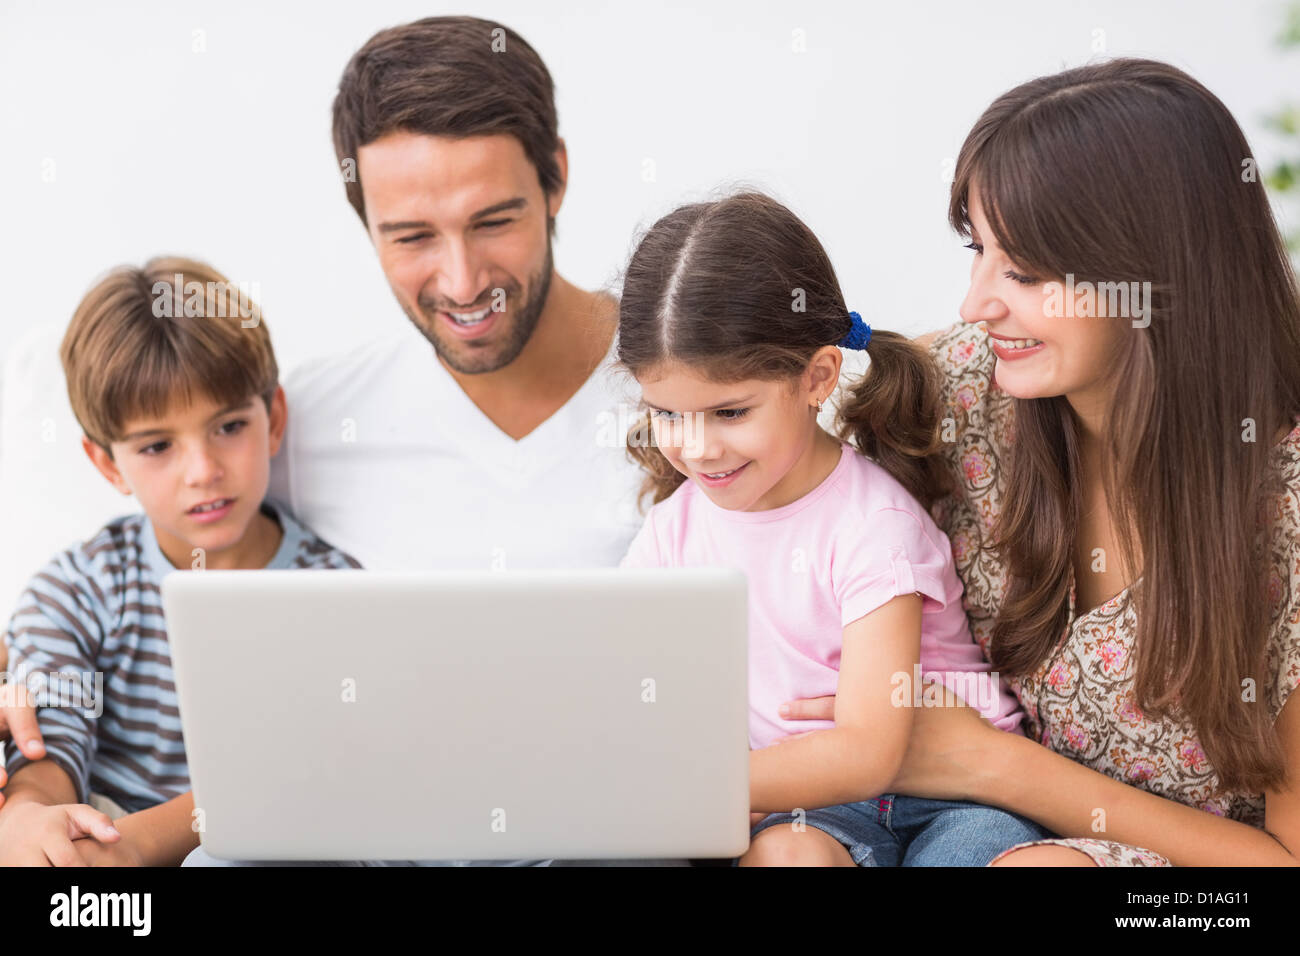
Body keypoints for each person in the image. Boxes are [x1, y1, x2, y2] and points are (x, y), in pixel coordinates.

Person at [783, 59, 1300, 866]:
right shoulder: (958, 396)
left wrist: (997, 766)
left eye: (1023, 271)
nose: (976, 303)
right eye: (977, 249)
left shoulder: (1285, 505)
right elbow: (766, 483)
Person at [615, 191, 1051, 865]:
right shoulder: (673, 535)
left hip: (953, 794)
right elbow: (631, 690)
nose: (697, 448)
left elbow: (867, 751)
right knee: (789, 858)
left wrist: (706, 785)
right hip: (804, 802)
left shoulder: (872, 525)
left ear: (817, 377)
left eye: (730, 413)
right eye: (669, 414)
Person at [0, 258, 361, 865]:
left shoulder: (333, 596)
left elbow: (306, 774)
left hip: (235, 844)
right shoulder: (82, 586)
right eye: (158, 446)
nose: (203, 471)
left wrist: (141, 845)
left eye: (228, 426)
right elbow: (49, 733)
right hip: (99, 835)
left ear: (272, 420)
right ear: (109, 465)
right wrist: (35, 819)